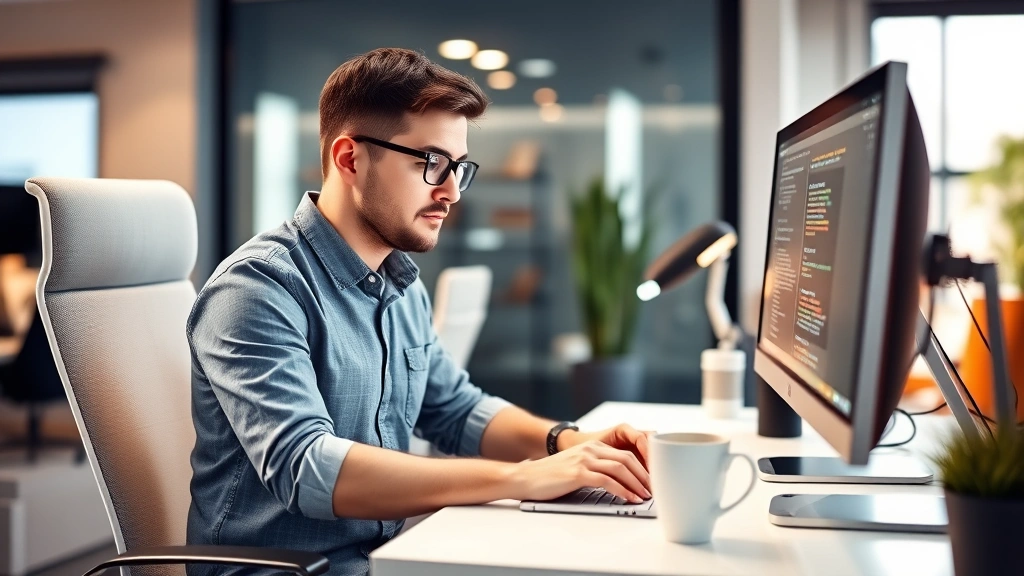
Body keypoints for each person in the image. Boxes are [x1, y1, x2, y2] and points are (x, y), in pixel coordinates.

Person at [186, 47, 652, 576]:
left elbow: (454, 407)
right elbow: (308, 468)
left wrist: (569, 442)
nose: (452, 191)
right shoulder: (258, 288)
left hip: (387, 558)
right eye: (431, 163)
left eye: (458, 167)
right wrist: (525, 477)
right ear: (349, 158)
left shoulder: (400, 282)